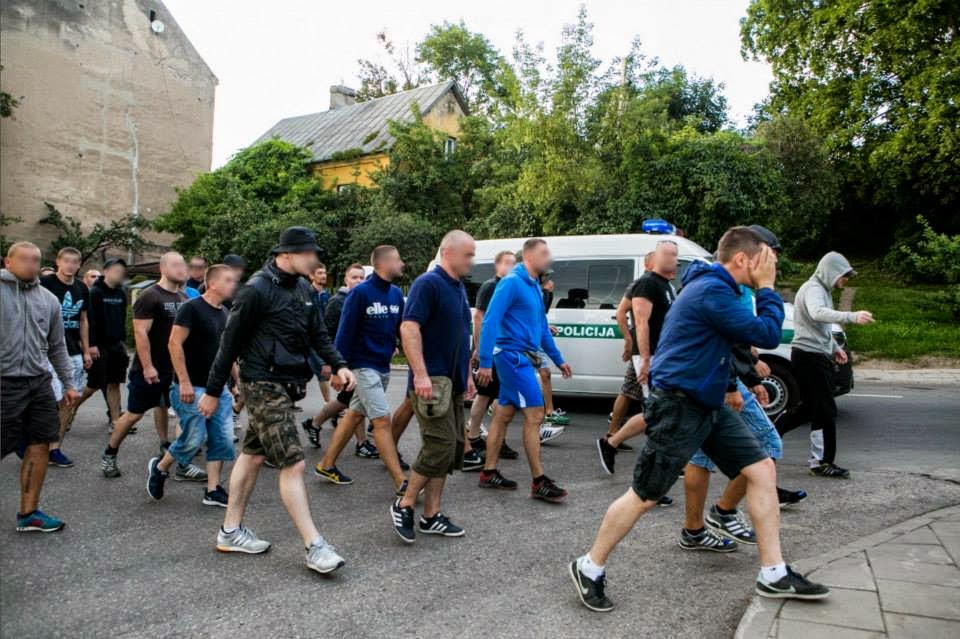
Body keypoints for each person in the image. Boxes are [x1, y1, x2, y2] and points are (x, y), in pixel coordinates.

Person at [569, 227, 829, 613]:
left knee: (761, 469)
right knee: (644, 495)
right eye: (766, 259)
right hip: (678, 406)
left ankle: (773, 573)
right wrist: (768, 287)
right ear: (743, 260)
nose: (770, 264)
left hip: (707, 403)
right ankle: (589, 566)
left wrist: (735, 384)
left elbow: (717, 347)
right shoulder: (711, 291)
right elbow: (768, 333)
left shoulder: (714, 289)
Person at [205, 226, 356, 575]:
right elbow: (228, 345)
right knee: (294, 463)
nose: (314, 259)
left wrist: (340, 364)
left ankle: (230, 531)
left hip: (288, 384)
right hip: (262, 383)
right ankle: (315, 545)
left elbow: (317, 334)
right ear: (285, 254)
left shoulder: (303, 288)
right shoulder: (256, 290)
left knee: (253, 454)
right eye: (308, 254)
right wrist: (213, 392)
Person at [390, 230, 475, 542]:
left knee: (451, 448)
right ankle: (405, 503)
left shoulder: (458, 288)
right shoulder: (428, 283)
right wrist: (421, 375)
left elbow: (462, 335)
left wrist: (466, 376)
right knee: (438, 445)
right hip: (432, 381)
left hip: (451, 381)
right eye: (467, 255)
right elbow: (409, 328)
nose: (471, 261)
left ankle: (431, 515)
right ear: (448, 252)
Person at [476, 238, 574, 503]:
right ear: (529, 257)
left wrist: (558, 359)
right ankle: (539, 481)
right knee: (536, 414)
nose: (549, 258)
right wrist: (484, 361)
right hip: (511, 357)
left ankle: (489, 472)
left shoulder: (534, 287)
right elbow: (490, 320)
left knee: (503, 414)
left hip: (524, 357)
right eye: (544, 253)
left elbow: (541, 328)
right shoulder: (511, 282)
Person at [1, 241, 80, 532]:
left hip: (38, 382)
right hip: (4, 382)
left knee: (40, 444)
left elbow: (57, 346)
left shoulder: (48, 300)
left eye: (35, 260)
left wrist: (69, 383)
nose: (31, 265)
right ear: (8, 263)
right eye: (24, 259)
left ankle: (29, 513)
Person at [146, 265, 240, 507]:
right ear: (213, 284)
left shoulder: (224, 313)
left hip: (217, 389)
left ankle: (212, 490)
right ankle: (160, 468)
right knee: (193, 438)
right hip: (191, 387)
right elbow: (174, 344)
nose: (234, 285)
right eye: (229, 280)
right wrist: (184, 382)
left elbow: (226, 352)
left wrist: (236, 381)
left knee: (223, 439)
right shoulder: (192, 308)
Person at [101, 252, 200, 479]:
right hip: (149, 369)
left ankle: (174, 455)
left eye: (183, 265)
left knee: (173, 411)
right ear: (162, 269)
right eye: (176, 265)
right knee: (134, 414)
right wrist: (147, 366)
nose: (182, 269)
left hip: (173, 369)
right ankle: (110, 453)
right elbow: (140, 332)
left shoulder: (184, 299)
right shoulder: (150, 296)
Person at [315, 247, 406, 491]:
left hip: (383, 366)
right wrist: (337, 368)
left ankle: (326, 463)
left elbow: (401, 329)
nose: (402, 264)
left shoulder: (396, 294)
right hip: (363, 366)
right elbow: (345, 332)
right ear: (383, 263)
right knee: (382, 421)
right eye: (398, 260)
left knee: (354, 414)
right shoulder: (361, 294)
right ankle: (401, 482)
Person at [777, 252, 874, 479]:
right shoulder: (814, 290)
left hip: (812, 354)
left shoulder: (821, 290)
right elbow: (817, 314)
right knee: (825, 410)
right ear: (831, 271)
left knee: (810, 409)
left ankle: (769, 435)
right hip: (810, 357)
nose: (846, 280)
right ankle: (822, 462)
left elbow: (817, 328)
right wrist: (851, 316)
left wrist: (834, 348)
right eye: (844, 275)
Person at [301, 263, 376, 457]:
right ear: (346, 279)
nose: (358, 281)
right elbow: (325, 334)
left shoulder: (363, 299)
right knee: (356, 402)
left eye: (362, 278)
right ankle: (361, 443)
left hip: (359, 359)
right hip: (343, 360)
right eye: (354, 277)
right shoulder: (337, 302)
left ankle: (314, 423)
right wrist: (329, 363)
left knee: (348, 401)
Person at [40, 247, 95, 468]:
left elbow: (83, 320)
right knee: (47, 401)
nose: (71, 265)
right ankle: (29, 440)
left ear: (79, 265)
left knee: (67, 402)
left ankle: (55, 448)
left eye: (75, 262)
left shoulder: (82, 288)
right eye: (67, 261)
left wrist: (86, 350)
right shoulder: (46, 284)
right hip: (46, 351)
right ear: (58, 262)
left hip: (72, 351)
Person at [466, 250, 520, 470]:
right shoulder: (491, 286)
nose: (511, 267)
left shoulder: (511, 286)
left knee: (500, 396)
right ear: (497, 266)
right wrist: (479, 349)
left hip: (505, 350)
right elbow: (479, 318)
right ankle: (473, 435)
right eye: (507, 263)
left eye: (514, 263)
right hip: (490, 349)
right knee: (485, 394)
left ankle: (496, 438)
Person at [80, 258, 129, 427]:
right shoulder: (95, 292)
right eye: (116, 271)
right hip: (98, 344)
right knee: (94, 384)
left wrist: (121, 340)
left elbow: (122, 318)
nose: (119, 275)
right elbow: (89, 320)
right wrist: (91, 345)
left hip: (116, 344)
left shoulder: (121, 293)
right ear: (106, 271)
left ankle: (115, 421)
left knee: (114, 383)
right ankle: (69, 408)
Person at [536, 273, 569, 441]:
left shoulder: (535, 290)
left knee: (544, 374)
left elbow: (538, 318)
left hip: (533, 341)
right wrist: (547, 293)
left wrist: (546, 327)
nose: (551, 281)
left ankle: (547, 413)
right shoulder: (529, 289)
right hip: (522, 344)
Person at [307, 263, 333, 405]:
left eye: (324, 273)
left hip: (321, 339)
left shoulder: (325, 295)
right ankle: (329, 405)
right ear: (311, 276)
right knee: (323, 371)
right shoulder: (307, 294)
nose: (323, 276)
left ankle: (329, 405)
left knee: (323, 373)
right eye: (319, 273)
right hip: (308, 340)